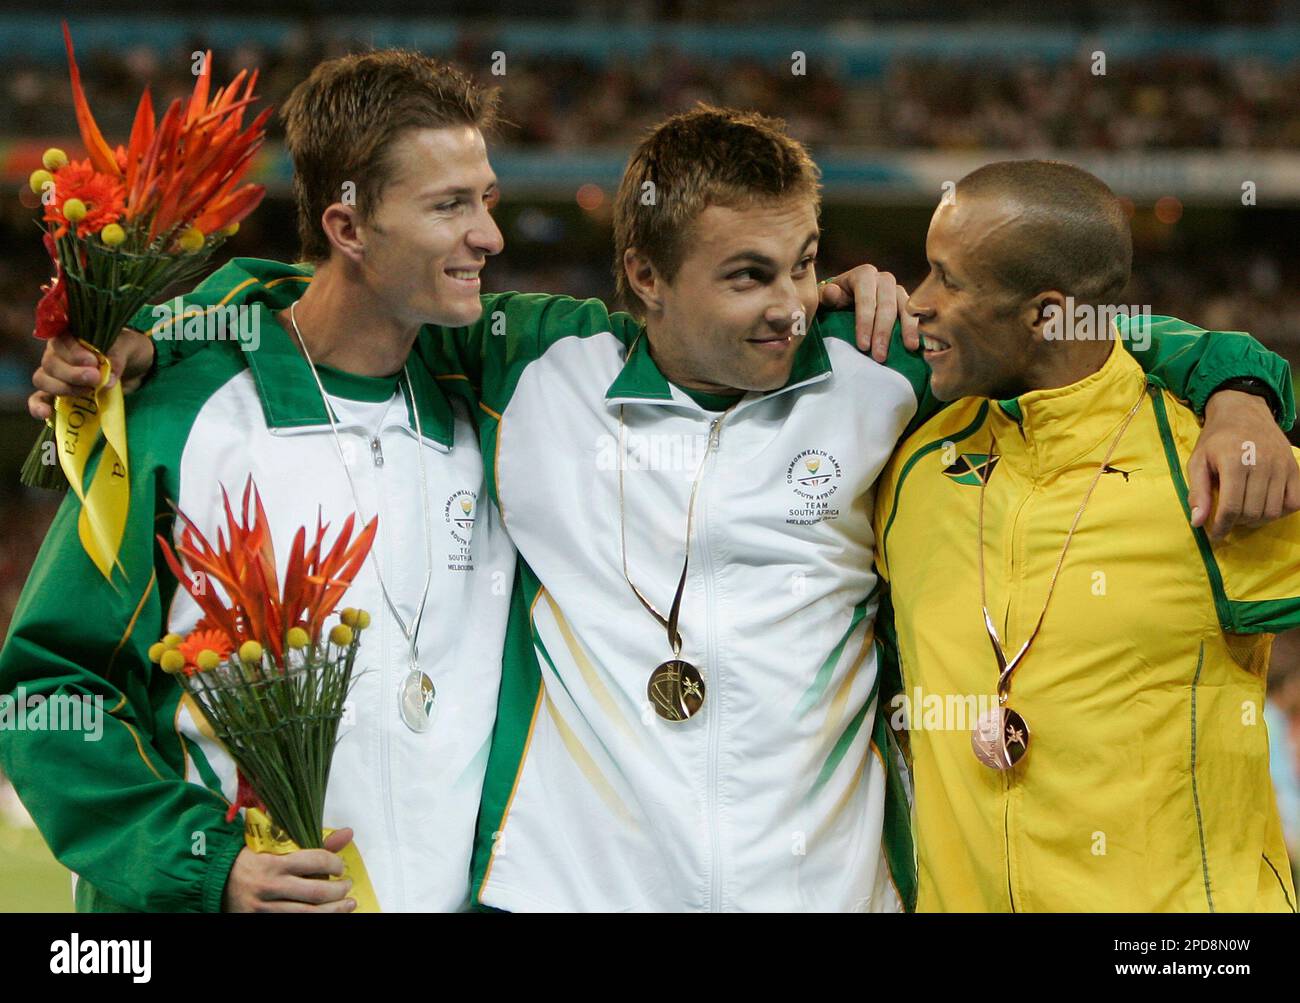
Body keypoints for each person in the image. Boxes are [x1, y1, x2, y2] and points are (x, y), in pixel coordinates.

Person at [26, 110, 1297, 911]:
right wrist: (181, 333)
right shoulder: (538, 364)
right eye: (747, 275)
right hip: (564, 893)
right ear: (641, 277)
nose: (790, 304)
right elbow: (345, 307)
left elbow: (1072, 326)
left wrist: (1237, 384)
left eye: (804, 264)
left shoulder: (885, 371)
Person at [0, 50, 517, 913]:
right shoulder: (179, 413)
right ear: (348, 229)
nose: (491, 236)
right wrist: (209, 866)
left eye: (488, 199)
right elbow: (54, 689)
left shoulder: (491, 405)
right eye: (450, 205)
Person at [874, 159, 1300, 911]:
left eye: (950, 279)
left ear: (1045, 314)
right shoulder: (913, 463)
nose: (920, 303)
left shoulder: (1214, 465)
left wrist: (1243, 396)